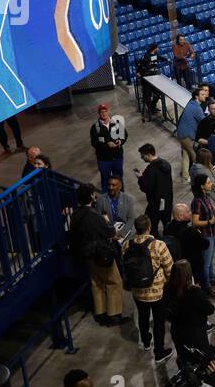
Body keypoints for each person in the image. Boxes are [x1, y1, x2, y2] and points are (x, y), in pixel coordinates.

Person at [68, 184, 130, 327]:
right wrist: (107, 222)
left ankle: (100, 313)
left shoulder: (76, 214)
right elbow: (110, 232)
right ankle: (113, 316)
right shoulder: (94, 215)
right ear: (91, 196)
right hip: (100, 254)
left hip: (86, 254)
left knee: (97, 283)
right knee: (113, 282)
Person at [122, 214, 174, 362]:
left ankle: (145, 342)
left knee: (142, 317)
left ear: (136, 228)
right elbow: (170, 269)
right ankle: (159, 351)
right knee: (159, 321)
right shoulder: (158, 245)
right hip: (157, 292)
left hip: (137, 291)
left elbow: (125, 268)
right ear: (149, 227)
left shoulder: (127, 245)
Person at [163, 260, 215, 356]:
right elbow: (210, 309)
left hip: (177, 331)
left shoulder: (167, 289)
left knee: (183, 357)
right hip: (195, 333)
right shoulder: (195, 292)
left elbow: (167, 312)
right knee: (201, 360)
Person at [189, 172, 215, 294]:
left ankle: (212, 278)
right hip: (205, 236)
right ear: (201, 186)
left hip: (212, 233)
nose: (211, 184)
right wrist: (211, 221)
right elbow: (195, 222)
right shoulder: (197, 201)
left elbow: (212, 207)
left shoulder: (206, 196)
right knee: (205, 263)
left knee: (210, 260)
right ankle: (207, 288)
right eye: (208, 182)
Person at [134, 143, 173, 238]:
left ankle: (156, 244)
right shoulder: (166, 164)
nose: (141, 158)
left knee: (151, 226)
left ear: (148, 155)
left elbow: (146, 188)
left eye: (142, 156)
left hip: (155, 203)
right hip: (168, 201)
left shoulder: (150, 170)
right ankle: (169, 242)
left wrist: (140, 178)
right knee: (167, 224)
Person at [89, 103, 127, 193]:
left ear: (109, 111)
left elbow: (125, 135)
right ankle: (107, 201)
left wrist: (120, 141)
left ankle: (120, 196)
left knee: (118, 178)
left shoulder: (116, 123)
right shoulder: (95, 127)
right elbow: (94, 142)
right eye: (102, 112)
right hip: (104, 160)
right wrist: (107, 144)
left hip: (117, 158)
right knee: (105, 180)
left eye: (105, 111)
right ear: (99, 113)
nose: (104, 113)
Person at [164, 203, 206, 280]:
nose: (190, 213)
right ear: (180, 216)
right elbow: (205, 244)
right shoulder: (190, 231)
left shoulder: (168, 226)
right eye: (187, 212)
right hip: (191, 266)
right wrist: (200, 234)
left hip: (176, 264)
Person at [175, 86, 207, 178]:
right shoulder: (196, 108)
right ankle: (200, 176)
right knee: (195, 157)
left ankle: (185, 175)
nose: (205, 96)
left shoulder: (192, 103)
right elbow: (204, 122)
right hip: (187, 136)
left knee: (185, 153)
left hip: (181, 133)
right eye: (202, 94)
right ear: (197, 96)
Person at [136, 43, 166, 117]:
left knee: (158, 93)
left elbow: (159, 58)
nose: (158, 49)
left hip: (154, 77)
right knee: (147, 94)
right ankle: (149, 110)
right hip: (146, 78)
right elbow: (141, 64)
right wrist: (138, 72)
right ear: (155, 48)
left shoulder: (155, 54)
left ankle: (152, 106)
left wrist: (166, 59)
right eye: (157, 48)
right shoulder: (146, 56)